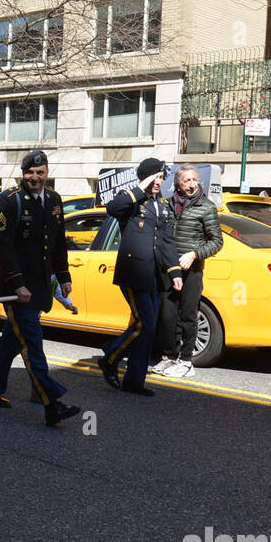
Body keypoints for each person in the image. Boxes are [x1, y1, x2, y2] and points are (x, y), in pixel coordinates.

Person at [0, 149, 80, 427]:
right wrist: (18, 284)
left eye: (40, 173)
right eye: (30, 173)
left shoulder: (53, 200)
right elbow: (2, 245)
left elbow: (57, 242)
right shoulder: (9, 200)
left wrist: (64, 276)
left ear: (47, 174)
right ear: (23, 174)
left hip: (39, 286)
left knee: (11, 342)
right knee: (32, 343)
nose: (35, 177)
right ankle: (51, 403)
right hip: (16, 288)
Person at [98, 157, 182, 396]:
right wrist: (141, 187)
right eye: (156, 177)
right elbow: (113, 209)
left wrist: (174, 271)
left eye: (161, 177)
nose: (159, 182)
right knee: (144, 323)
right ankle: (110, 357)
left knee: (148, 327)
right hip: (134, 273)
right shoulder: (133, 199)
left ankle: (134, 381)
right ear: (146, 177)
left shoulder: (162, 206)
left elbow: (167, 242)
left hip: (155, 275)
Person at [154, 164, 223, 379]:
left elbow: (217, 242)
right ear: (178, 185)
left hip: (191, 271)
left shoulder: (206, 207)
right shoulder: (167, 204)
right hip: (169, 268)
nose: (192, 184)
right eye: (187, 181)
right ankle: (170, 357)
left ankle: (186, 361)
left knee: (188, 316)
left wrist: (194, 254)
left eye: (195, 180)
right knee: (167, 316)